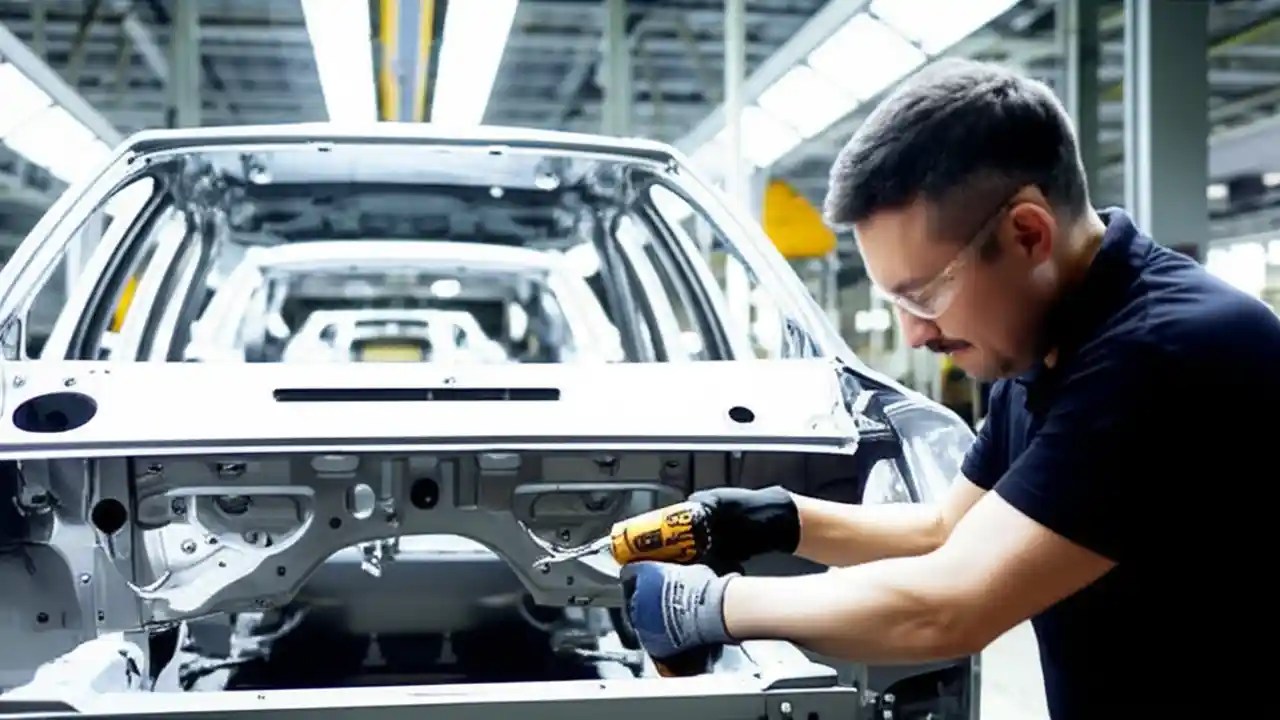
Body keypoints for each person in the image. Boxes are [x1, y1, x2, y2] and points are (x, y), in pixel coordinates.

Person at [620, 58, 1280, 719]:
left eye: (926, 294)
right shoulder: (1044, 343)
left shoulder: (1169, 352)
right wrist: (767, 518)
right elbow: (948, 531)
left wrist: (708, 607)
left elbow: (949, 605)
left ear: (1028, 234)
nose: (912, 334)